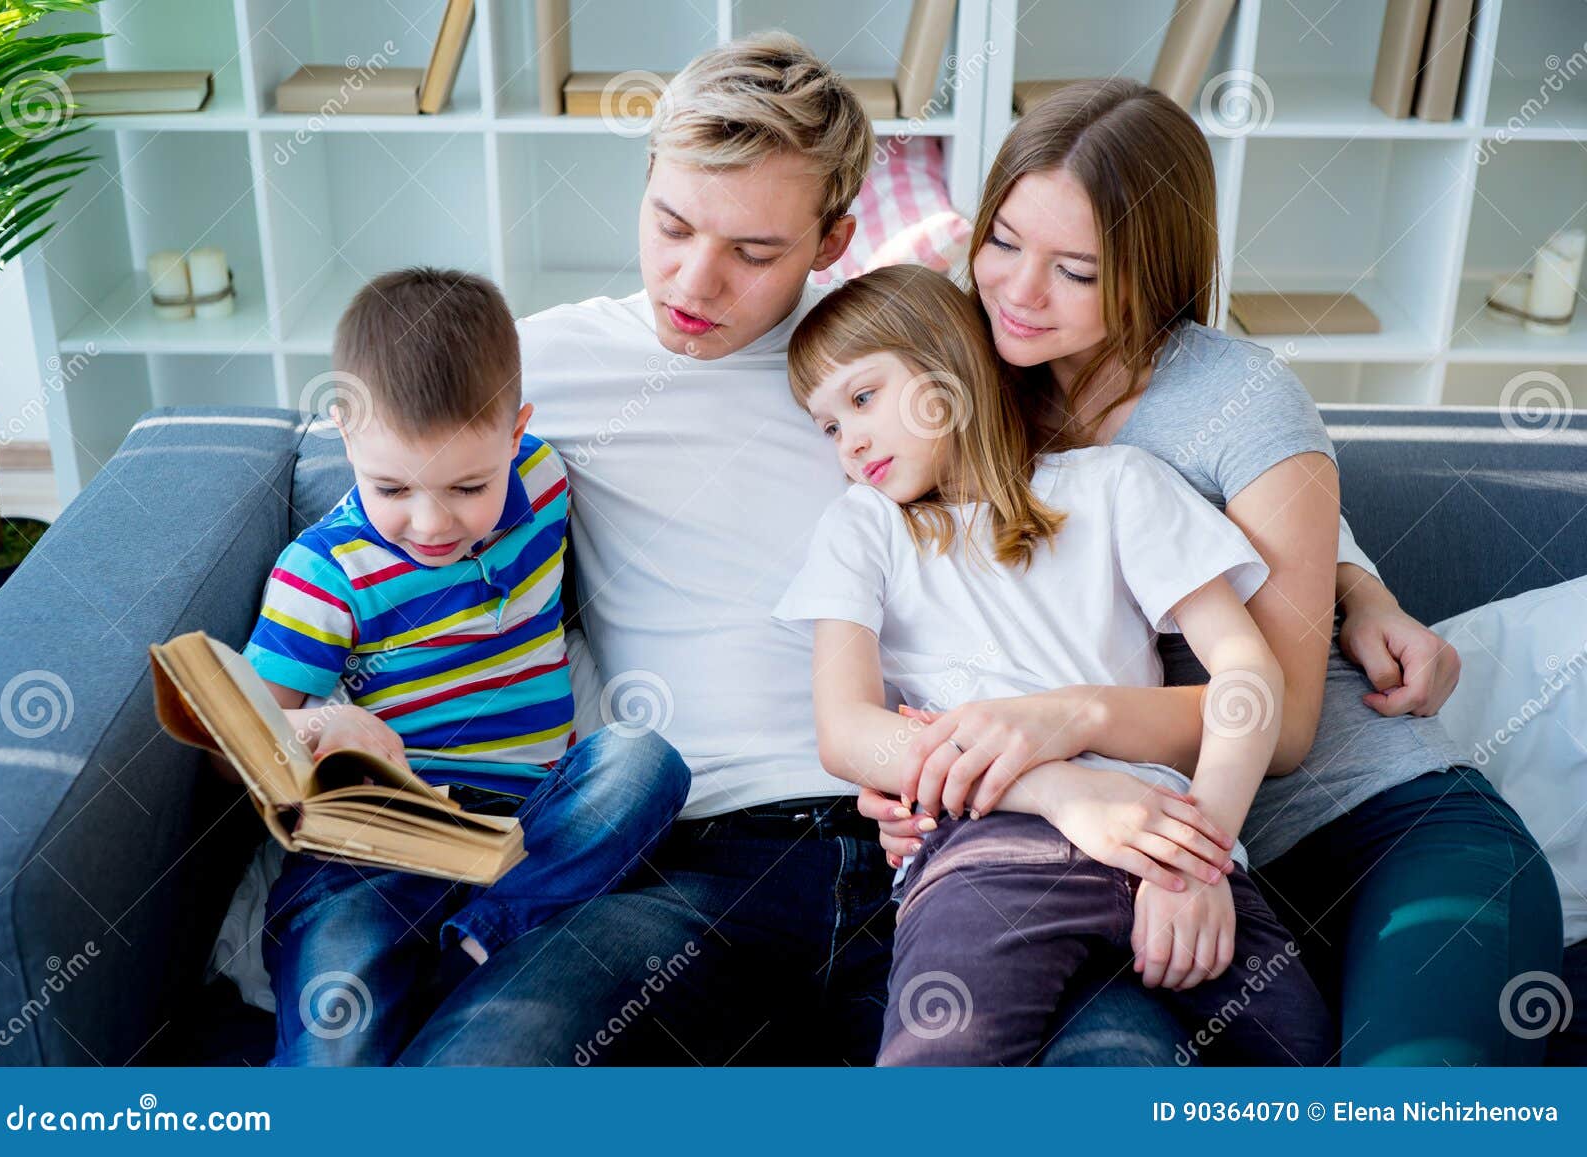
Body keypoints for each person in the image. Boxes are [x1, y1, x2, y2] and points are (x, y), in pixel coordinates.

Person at [392, 37, 1223, 1067]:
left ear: (833, 239)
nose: (695, 279)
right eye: (672, 224)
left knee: (1120, 1071)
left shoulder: (893, 360)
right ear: (646, 180)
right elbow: (378, 496)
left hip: (962, 849)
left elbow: (1151, 461)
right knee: (489, 1056)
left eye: (753, 251)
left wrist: (1350, 585)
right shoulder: (542, 363)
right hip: (702, 858)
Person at [860, 79, 1564, 1066]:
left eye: (1075, 269)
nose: (1017, 291)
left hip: (1370, 827)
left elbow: (1282, 726)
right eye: (1003, 241)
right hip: (1143, 866)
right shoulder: (963, 379)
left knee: (1414, 1101)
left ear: (1151, 271)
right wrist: (937, 774)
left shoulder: (1237, 398)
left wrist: (1065, 718)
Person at [773, 265, 1334, 1066]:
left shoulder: (1116, 485)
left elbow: (1251, 674)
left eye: (862, 398)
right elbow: (847, 730)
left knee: (1303, 1057)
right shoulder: (863, 529)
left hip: (1167, 836)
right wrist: (1059, 790)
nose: (849, 441)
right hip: (990, 851)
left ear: (952, 369)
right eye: (826, 426)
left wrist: (1202, 855)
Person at [247, 268, 691, 1065]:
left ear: (517, 432)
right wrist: (317, 720)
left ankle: (478, 945)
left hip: (524, 830)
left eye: (467, 485)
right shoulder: (322, 574)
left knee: (643, 761)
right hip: (381, 842)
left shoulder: (545, 483)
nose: (430, 522)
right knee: (339, 1012)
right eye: (391, 486)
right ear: (344, 432)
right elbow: (241, 724)